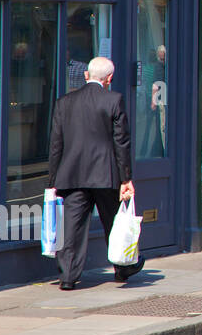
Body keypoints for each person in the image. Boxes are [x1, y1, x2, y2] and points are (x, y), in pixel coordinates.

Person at [47, 57, 144, 290]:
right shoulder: (113, 100)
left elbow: (56, 145)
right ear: (110, 78)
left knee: (72, 228)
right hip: (105, 174)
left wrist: (53, 180)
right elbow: (122, 143)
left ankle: (68, 277)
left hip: (71, 175)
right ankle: (123, 268)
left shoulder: (64, 102)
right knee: (115, 222)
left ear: (86, 75)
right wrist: (126, 178)